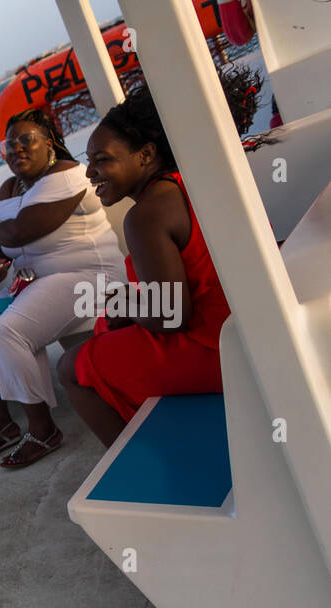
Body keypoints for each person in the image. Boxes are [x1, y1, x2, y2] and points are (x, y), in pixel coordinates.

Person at [59, 69, 267, 444]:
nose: (90, 172)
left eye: (102, 160)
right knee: (104, 330)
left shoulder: (146, 215)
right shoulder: (191, 181)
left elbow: (170, 316)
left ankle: (138, 464)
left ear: (146, 154)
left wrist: (126, 304)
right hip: (248, 324)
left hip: (220, 349)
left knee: (71, 366)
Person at [0, 108, 124, 467]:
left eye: (26, 140)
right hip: (34, 284)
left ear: (49, 144)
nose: (16, 149)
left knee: (7, 333)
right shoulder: (8, 189)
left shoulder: (68, 175)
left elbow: (21, 231)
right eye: (9, 144)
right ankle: (1, 424)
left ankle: (43, 429)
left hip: (89, 278)